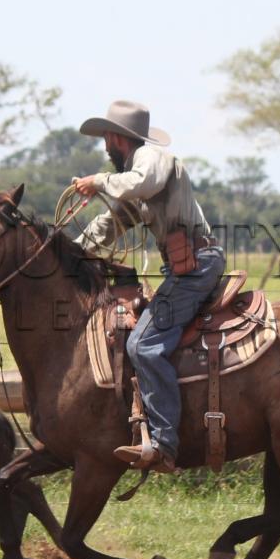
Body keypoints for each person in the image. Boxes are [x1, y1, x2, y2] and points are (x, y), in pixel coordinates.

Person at [73, 100, 225, 473]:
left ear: (115, 138)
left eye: (106, 141)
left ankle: (164, 443)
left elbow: (142, 182)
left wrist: (99, 181)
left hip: (196, 267)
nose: (105, 150)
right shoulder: (136, 188)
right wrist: (68, 254)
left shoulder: (153, 159)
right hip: (185, 268)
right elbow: (110, 225)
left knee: (144, 343)